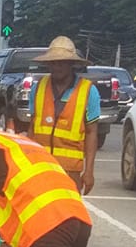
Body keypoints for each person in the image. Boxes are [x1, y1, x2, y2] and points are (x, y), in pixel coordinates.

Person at [27, 35, 101, 193]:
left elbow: (92, 132)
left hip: (70, 170)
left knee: (69, 215)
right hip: (41, 167)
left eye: (61, 63)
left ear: (71, 64)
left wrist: (89, 172)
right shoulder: (37, 88)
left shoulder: (88, 91)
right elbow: (32, 128)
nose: (56, 67)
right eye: (53, 63)